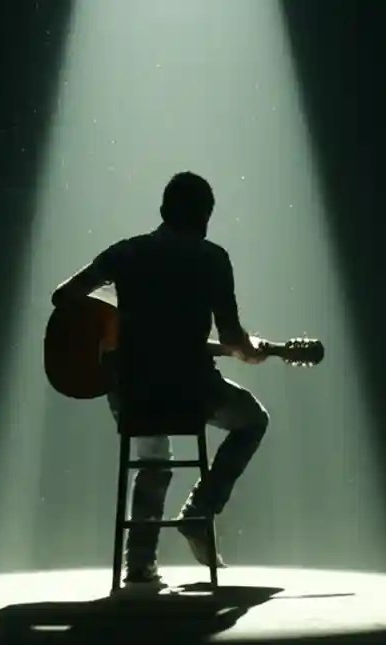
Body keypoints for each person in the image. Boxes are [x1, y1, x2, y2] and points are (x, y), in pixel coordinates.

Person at [50, 171, 272, 587]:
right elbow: (230, 338)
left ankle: (139, 566)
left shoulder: (126, 253)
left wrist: (112, 323)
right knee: (253, 420)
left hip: (132, 392)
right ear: (206, 216)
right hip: (192, 392)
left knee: (153, 456)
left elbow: (63, 296)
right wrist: (247, 351)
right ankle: (200, 513)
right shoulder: (212, 259)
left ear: (162, 210)